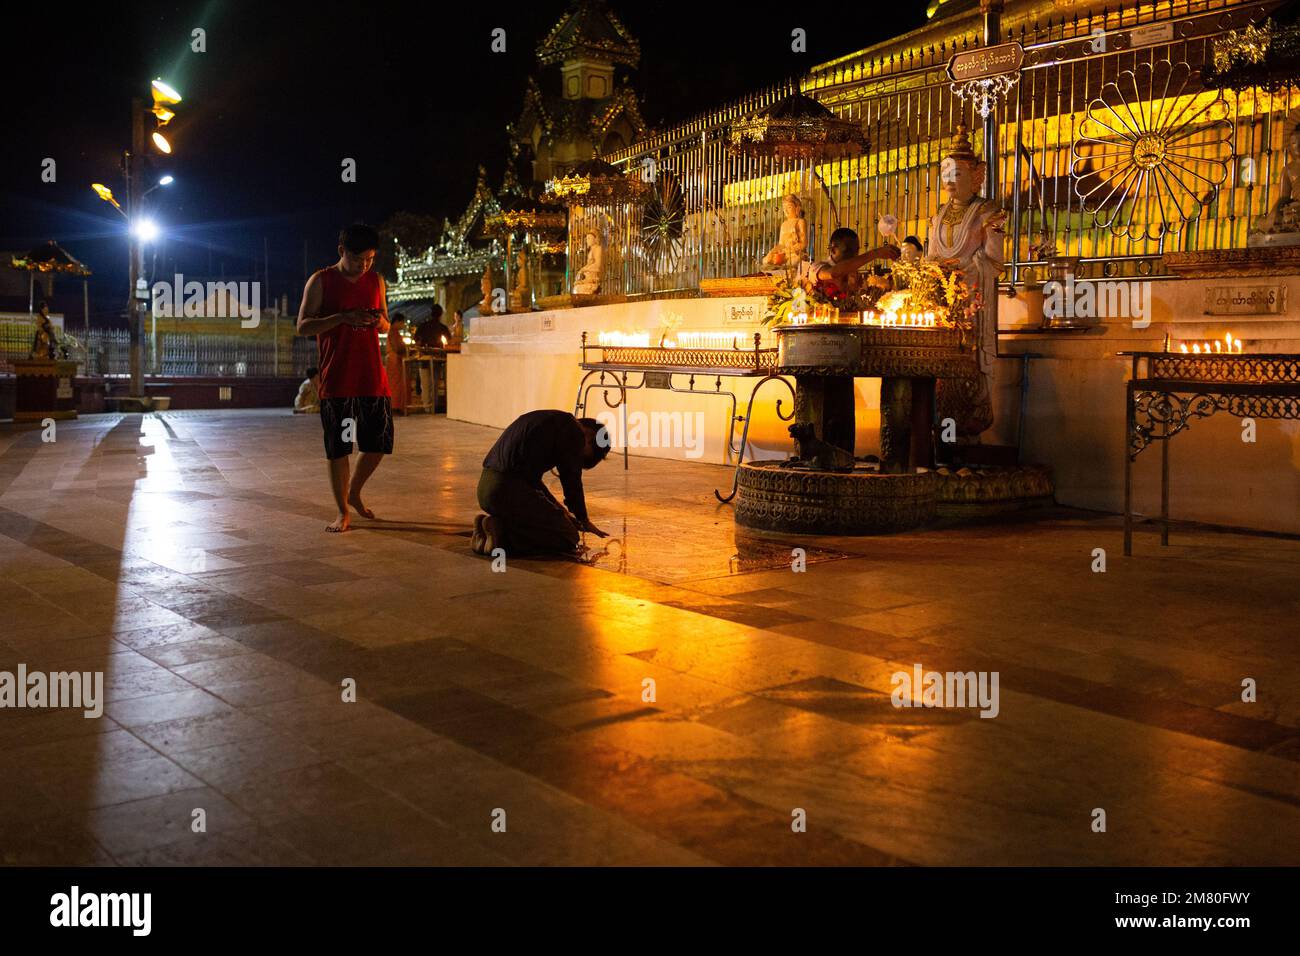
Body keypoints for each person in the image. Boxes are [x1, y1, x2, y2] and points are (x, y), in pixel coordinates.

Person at [296, 223, 392, 533]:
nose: (364, 266)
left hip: (372, 376)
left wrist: (378, 321)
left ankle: (354, 491)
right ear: (341, 252)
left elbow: (387, 325)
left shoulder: (376, 281)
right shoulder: (321, 281)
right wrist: (341, 318)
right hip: (336, 377)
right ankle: (342, 512)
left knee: (378, 443)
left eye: (370, 259)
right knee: (338, 447)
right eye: (357, 259)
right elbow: (303, 326)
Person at [472, 410, 611, 558]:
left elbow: (534, 484)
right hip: (507, 489)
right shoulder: (573, 432)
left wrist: (564, 513)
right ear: (590, 437)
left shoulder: (549, 420)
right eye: (583, 456)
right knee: (568, 536)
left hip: (486, 489)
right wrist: (583, 519)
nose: (578, 459)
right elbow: (572, 480)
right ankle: (503, 536)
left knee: (553, 523)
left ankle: (487, 533)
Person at [799, 227, 900, 301]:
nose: (854, 256)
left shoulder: (854, 273)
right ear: (833, 250)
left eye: (856, 251)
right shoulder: (817, 267)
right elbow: (833, 273)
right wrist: (875, 253)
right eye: (848, 251)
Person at [386, 314, 410, 414]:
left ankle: (395, 406)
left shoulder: (392, 332)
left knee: (394, 384)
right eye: (402, 322)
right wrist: (406, 349)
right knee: (397, 384)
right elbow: (398, 347)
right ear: (397, 322)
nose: (403, 325)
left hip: (393, 361)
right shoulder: (393, 333)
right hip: (395, 362)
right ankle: (396, 406)